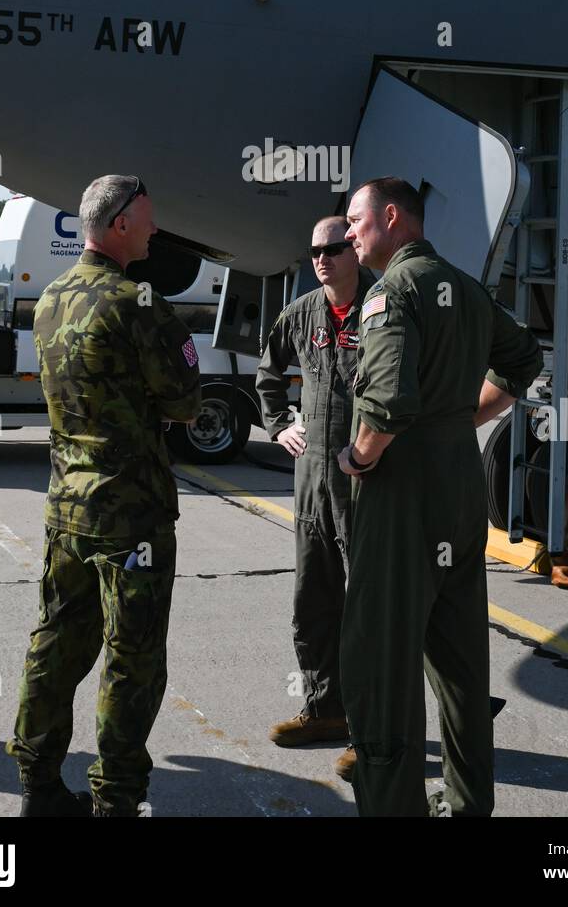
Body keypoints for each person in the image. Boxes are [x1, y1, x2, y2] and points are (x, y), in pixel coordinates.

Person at [338, 176, 543, 818]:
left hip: (402, 499)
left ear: (392, 217)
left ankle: (391, 806)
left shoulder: (391, 293)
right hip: (459, 488)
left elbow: (389, 403)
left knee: (381, 663)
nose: (348, 234)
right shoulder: (470, 290)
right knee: (460, 665)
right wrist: (465, 418)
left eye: (355, 220)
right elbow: (523, 358)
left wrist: (357, 455)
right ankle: (467, 803)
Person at [6, 174, 201, 817]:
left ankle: (37, 784)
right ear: (119, 224)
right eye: (146, 219)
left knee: (57, 640)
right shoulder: (138, 300)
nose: (153, 229)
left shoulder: (52, 297)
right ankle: (116, 798)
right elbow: (184, 399)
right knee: (132, 656)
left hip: (67, 506)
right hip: (131, 514)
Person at [255, 215, 372, 762]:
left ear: (356, 249)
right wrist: (280, 425)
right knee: (313, 603)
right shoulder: (301, 314)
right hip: (312, 488)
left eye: (333, 248)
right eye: (314, 252)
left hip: (369, 487)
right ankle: (325, 709)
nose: (321, 259)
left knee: (371, 611)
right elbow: (268, 374)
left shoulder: (384, 309)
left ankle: (373, 732)